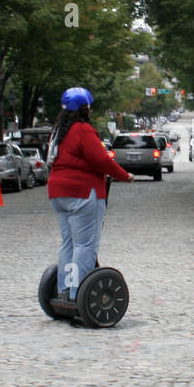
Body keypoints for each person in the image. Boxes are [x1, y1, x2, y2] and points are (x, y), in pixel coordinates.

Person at [47, 87, 132, 310]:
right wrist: (124, 176)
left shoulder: (58, 131)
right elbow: (101, 160)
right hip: (82, 193)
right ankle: (77, 295)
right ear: (85, 108)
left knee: (68, 243)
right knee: (85, 245)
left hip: (58, 193)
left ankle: (64, 290)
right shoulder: (82, 130)